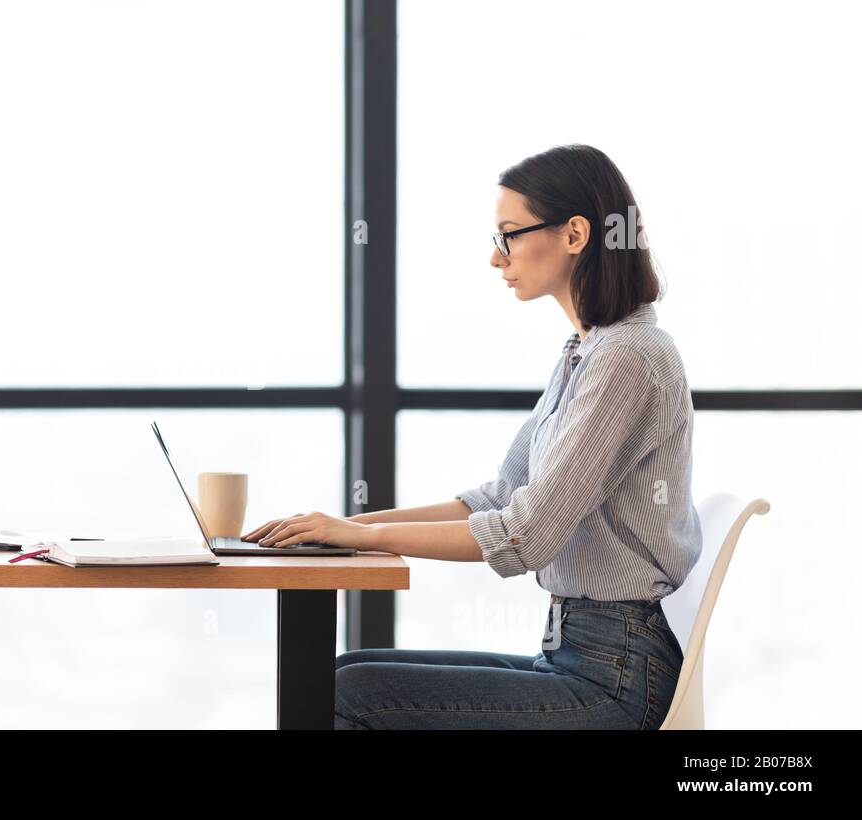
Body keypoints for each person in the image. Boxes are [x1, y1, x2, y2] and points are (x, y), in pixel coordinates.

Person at [242, 144, 702, 729]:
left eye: (509, 234)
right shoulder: (586, 353)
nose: (495, 256)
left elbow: (526, 535)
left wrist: (370, 535)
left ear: (575, 234)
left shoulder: (628, 358)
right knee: (339, 675)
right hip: (582, 655)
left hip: (617, 681)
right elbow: (496, 498)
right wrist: (345, 530)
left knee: (349, 693)